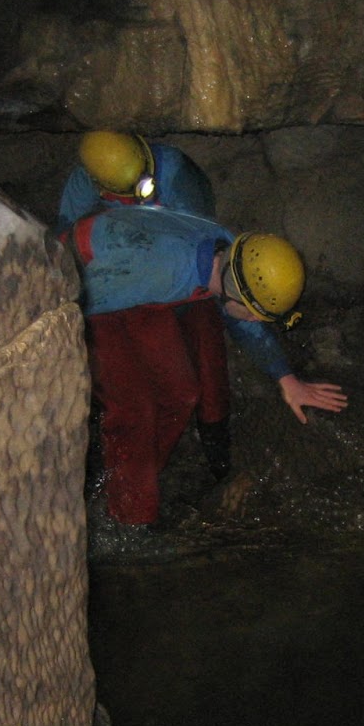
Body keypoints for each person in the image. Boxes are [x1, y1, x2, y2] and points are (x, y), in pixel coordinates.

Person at [69, 204, 348, 527]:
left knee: (182, 392)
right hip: (91, 285)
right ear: (235, 292)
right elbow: (76, 298)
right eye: (256, 312)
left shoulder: (230, 252)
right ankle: (129, 521)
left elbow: (245, 320)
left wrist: (286, 379)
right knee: (135, 409)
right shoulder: (166, 270)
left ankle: (130, 479)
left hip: (136, 288)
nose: (257, 320)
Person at [58, 130, 234, 479]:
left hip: (182, 279)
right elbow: (69, 246)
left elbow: (207, 257)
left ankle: (210, 451)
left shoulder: (176, 179)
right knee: (135, 401)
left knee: (193, 375)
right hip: (122, 287)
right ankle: (126, 479)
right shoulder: (83, 185)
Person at [56, 130, 215, 232]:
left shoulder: (177, 176)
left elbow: (196, 229)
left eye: (144, 175)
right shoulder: (88, 176)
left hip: (175, 216)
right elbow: (67, 228)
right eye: (133, 187)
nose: (142, 183)